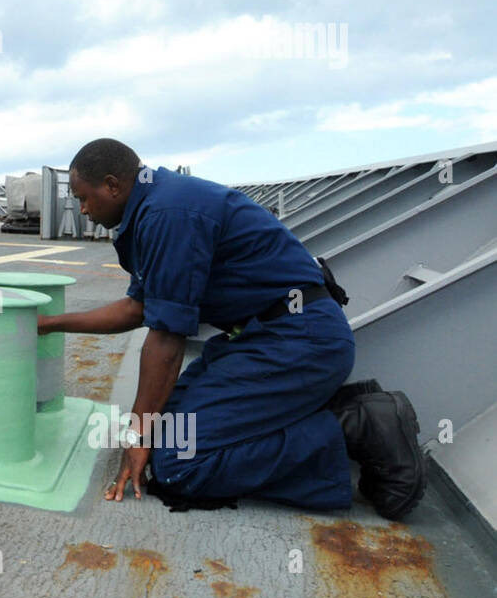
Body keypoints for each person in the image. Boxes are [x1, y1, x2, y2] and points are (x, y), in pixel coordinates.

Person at [38, 138, 425, 519]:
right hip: (262, 337)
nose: (84, 209)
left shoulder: (167, 214)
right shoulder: (157, 206)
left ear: (112, 184)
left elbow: (166, 340)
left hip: (300, 341)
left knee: (177, 462)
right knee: (167, 428)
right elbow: (137, 308)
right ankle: (333, 416)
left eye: (84, 198)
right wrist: (52, 325)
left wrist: (137, 438)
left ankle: (354, 426)